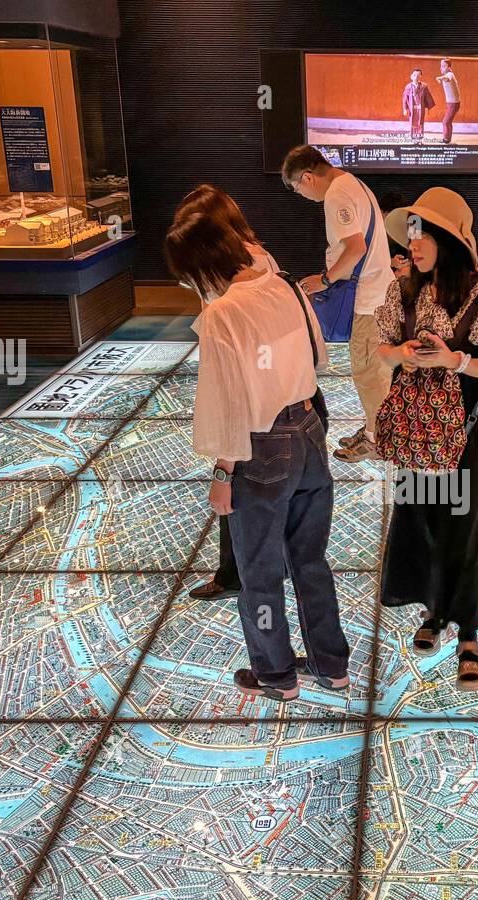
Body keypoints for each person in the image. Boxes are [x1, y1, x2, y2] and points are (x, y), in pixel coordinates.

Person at [165, 187, 349, 702]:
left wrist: (223, 473)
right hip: (309, 430)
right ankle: (332, 665)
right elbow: (317, 355)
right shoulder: (283, 282)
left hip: (262, 449)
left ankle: (275, 674)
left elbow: (229, 403)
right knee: (310, 561)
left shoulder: (224, 312)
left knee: (260, 572)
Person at [375, 188, 478, 690]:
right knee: (420, 517)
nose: (412, 244)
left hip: (464, 433)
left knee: (465, 523)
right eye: (410, 233)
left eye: (422, 233)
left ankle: (470, 632)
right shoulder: (404, 291)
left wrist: (452, 360)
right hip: (416, 432)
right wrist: (406, 353)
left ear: (448, 240)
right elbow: (384, 353)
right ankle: (434, 610)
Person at [176, 185, 328, 603]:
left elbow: (235, 390)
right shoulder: (259, 258)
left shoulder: (234, 273)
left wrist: (223, 471)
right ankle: (324, 660)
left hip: (268, 420)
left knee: (251, 520)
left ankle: (243, 585)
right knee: (307, 553)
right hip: (302, 408)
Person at [282, 145, 395, 463]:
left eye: (297, 188)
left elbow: (355, 248)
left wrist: (326, 280)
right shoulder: (352, 182)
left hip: (370, 299)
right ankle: (375, 428)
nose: (301, 195)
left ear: (307, 177)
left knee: (369, 372)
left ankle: (379, 440)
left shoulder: (336, 194)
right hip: (376, 294)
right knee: (372, 370)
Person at [402, 69, 435, 143]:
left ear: (420, 76)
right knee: (413, 122)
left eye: (418, 75)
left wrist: (429, 107)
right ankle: (413, 138)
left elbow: (428, 96)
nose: (416, 77)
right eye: (414, 75)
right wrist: (404, 109)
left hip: (420, 108)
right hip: (412, 108)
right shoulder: (408, 87)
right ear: (411, 76)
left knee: (420, 122)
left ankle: (420, 138)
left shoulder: (424, 86)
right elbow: (404, 98)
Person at [435, 58, 461, 145]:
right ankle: (447, 139)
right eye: (440, 66)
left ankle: (446, 140)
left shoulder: (450, 74)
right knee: (447, 122)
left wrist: (440, 78)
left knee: (446, 121)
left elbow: (447, 78)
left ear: (449, 67)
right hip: (450, 103)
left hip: (454, 104)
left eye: (443, 66)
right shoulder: (448, 74)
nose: (441, 68)